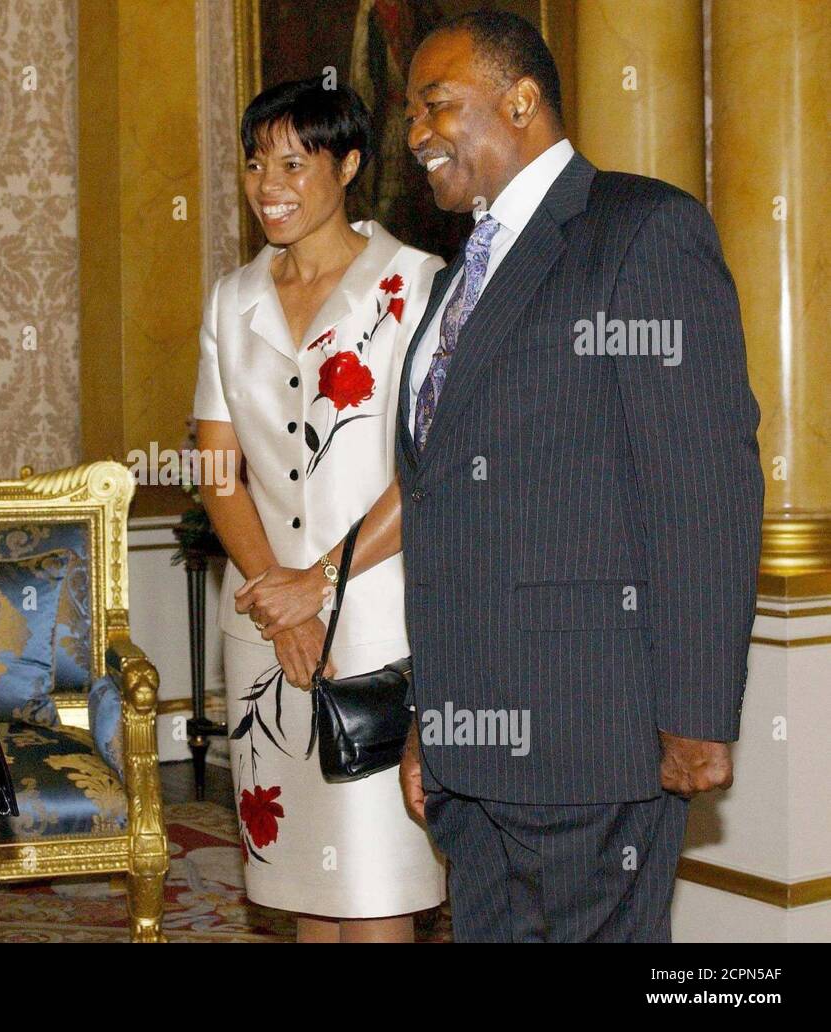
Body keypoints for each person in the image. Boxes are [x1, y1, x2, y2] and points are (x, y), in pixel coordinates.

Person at [392, 12, 763, 941]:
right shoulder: (453, 284)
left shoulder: (643, 233)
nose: (414, 135)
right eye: (408, 115)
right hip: (472, 754)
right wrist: (428, 719)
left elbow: (704, 486)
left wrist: (696, 713)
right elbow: (445, 513)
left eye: (435, 106)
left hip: (594, 736)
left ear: (521, 101)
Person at [194, 78, 446, 943]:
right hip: (265, 626)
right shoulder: (232, 299)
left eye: (295, 161)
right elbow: (218, 469)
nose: (271, 182)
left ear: (348, 165)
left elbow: (430, 466)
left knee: (376, 888)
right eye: (258, 160)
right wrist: (278, 593)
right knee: (307, 884)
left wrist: (322, 585)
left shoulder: (418, 287)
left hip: (381, 626)